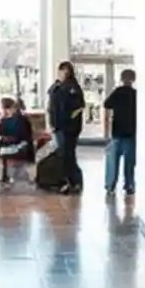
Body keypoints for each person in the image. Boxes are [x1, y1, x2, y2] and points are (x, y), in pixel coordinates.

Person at [47, 61, 85, 195]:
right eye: (62, 71)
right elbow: (52, 107)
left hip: (68, 128)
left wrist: (70, 122)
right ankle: (69, 181)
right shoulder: (56, 87)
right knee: (64, 155)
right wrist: (52, 124)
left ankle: (72, 181)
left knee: (67, 155)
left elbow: (77, 108)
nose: (63, 74)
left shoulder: (73, 88)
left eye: (66, 71)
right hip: (58, 126)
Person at [0, 97, 36, 191]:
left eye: (7, 108)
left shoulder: (20, 120)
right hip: (8, 143)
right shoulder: (2, 120)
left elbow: (20, 136)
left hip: (19, 145)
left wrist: (4, 138)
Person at [103, 69, 137, 197]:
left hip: (117, 131)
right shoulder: (135, 94)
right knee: (129, 163)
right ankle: (129, 185)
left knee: (113, 161)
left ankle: (110, 185)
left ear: (121, 79)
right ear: (133, 80)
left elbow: (106, 104)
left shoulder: (117, 92)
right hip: (131, 132)